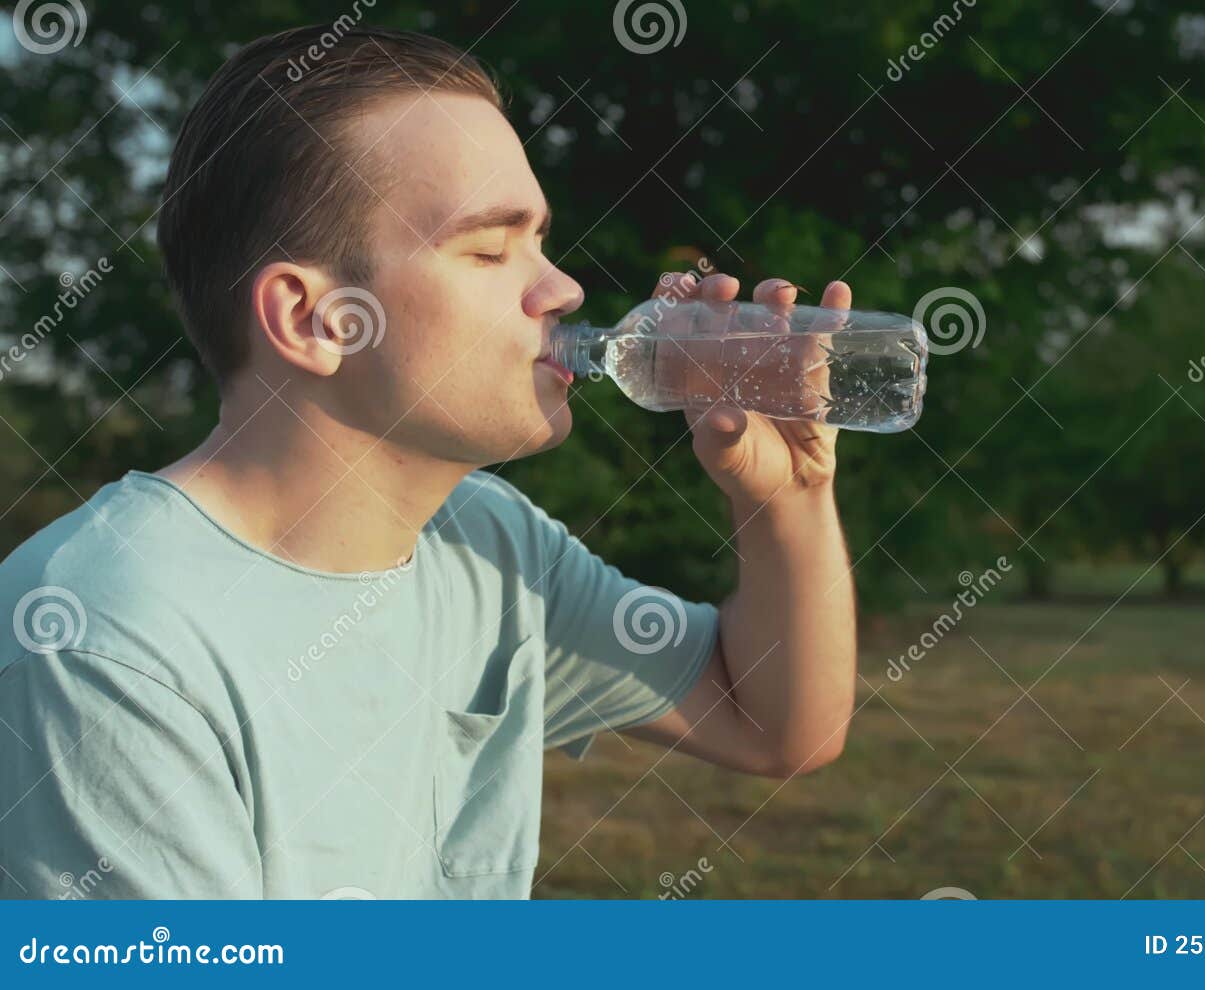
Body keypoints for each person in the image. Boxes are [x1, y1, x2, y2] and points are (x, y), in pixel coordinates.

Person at [0, 25, 856, 898]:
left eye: (540, 241)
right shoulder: (103, 646)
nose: (562, 289)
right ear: (313, 320)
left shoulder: (487, 544)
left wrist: (787, 498)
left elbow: (778, 727)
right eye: (488, 249)